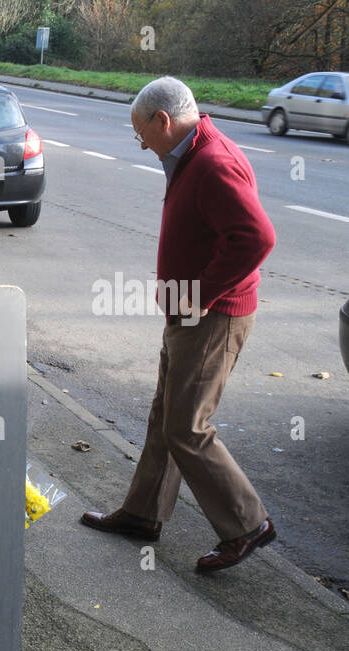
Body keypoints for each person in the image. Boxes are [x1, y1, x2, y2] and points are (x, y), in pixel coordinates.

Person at [80, 76, 277, 573]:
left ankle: (247, 524)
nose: (142, 143)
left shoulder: (212, 162)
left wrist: (201, 296)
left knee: (188, 428)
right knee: (164, 415)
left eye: (141, 133)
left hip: (214, 316)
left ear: (163, 121)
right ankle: (144, 515)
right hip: (189, 311)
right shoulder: (192, 154)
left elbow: (255, 238)